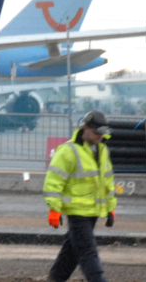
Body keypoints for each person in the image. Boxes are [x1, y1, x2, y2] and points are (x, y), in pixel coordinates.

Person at [44, 110, 117, 282]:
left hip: (93, 211)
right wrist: (54, 209)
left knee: (71, 252)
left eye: (102, 133)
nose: (100, 136)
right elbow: (53, 181)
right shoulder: (68, 151)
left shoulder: (102, 150)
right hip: (77, 212)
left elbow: (107, 181)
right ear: (86, 128)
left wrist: (110, 208)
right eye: (97, 132)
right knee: (87, 251)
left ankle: (55, 279)